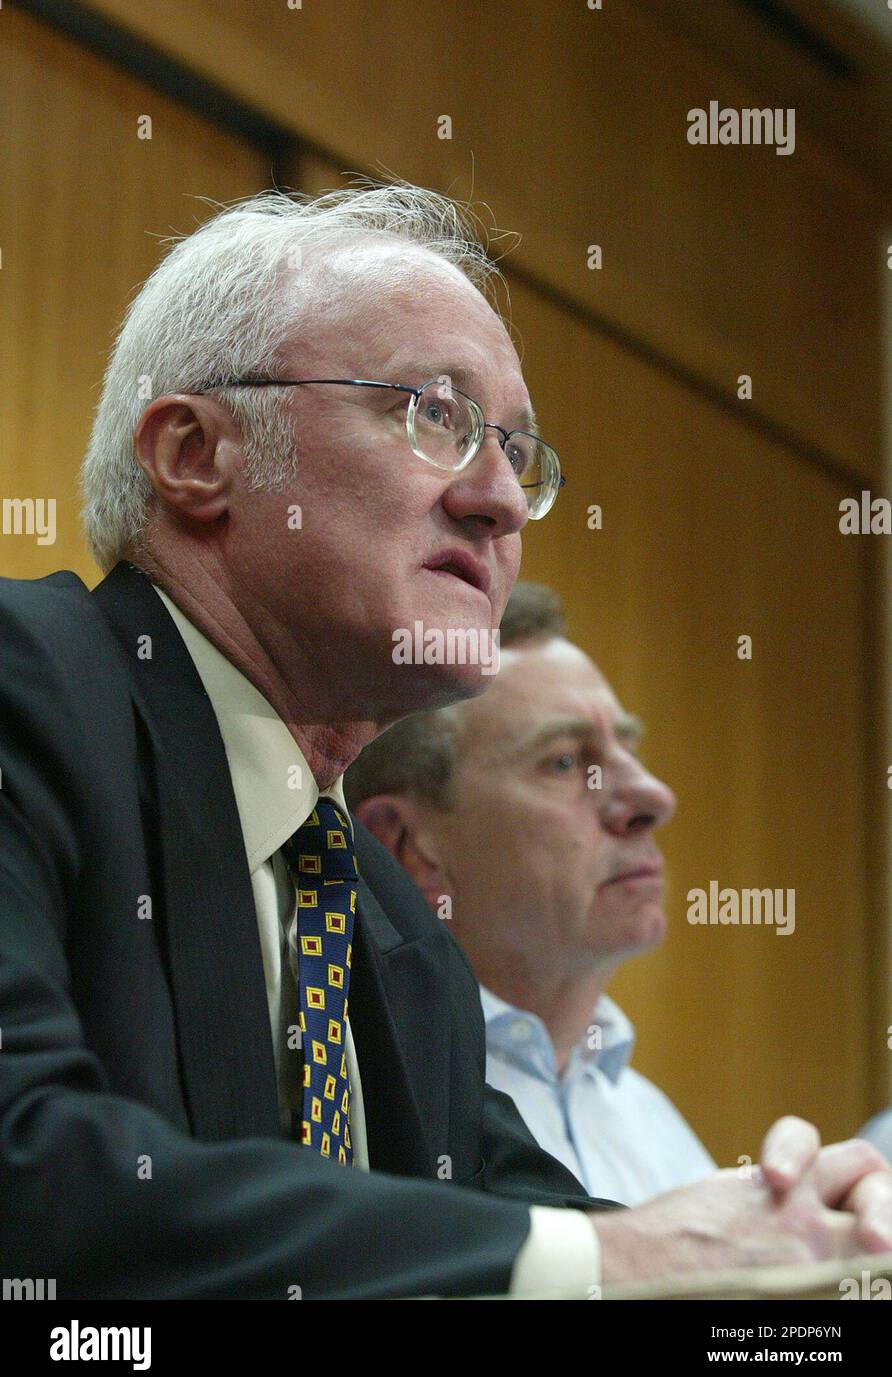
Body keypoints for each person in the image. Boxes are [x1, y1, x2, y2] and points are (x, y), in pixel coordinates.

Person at [1, 184, 890, 1301]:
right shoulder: (26, 689)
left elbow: (532, 1231)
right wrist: (624, 1259)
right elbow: (29, 1168)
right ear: (194, 452)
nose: (502, 502)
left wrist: (812, 1256)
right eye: (434, 413)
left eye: (517, 452)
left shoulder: (385, 921)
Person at [346, 581, 716, 1204]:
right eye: (566, 762)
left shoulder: (660, 1130)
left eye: (627, 746)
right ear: (406, 845)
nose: (654, 798)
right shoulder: (363, 1119)